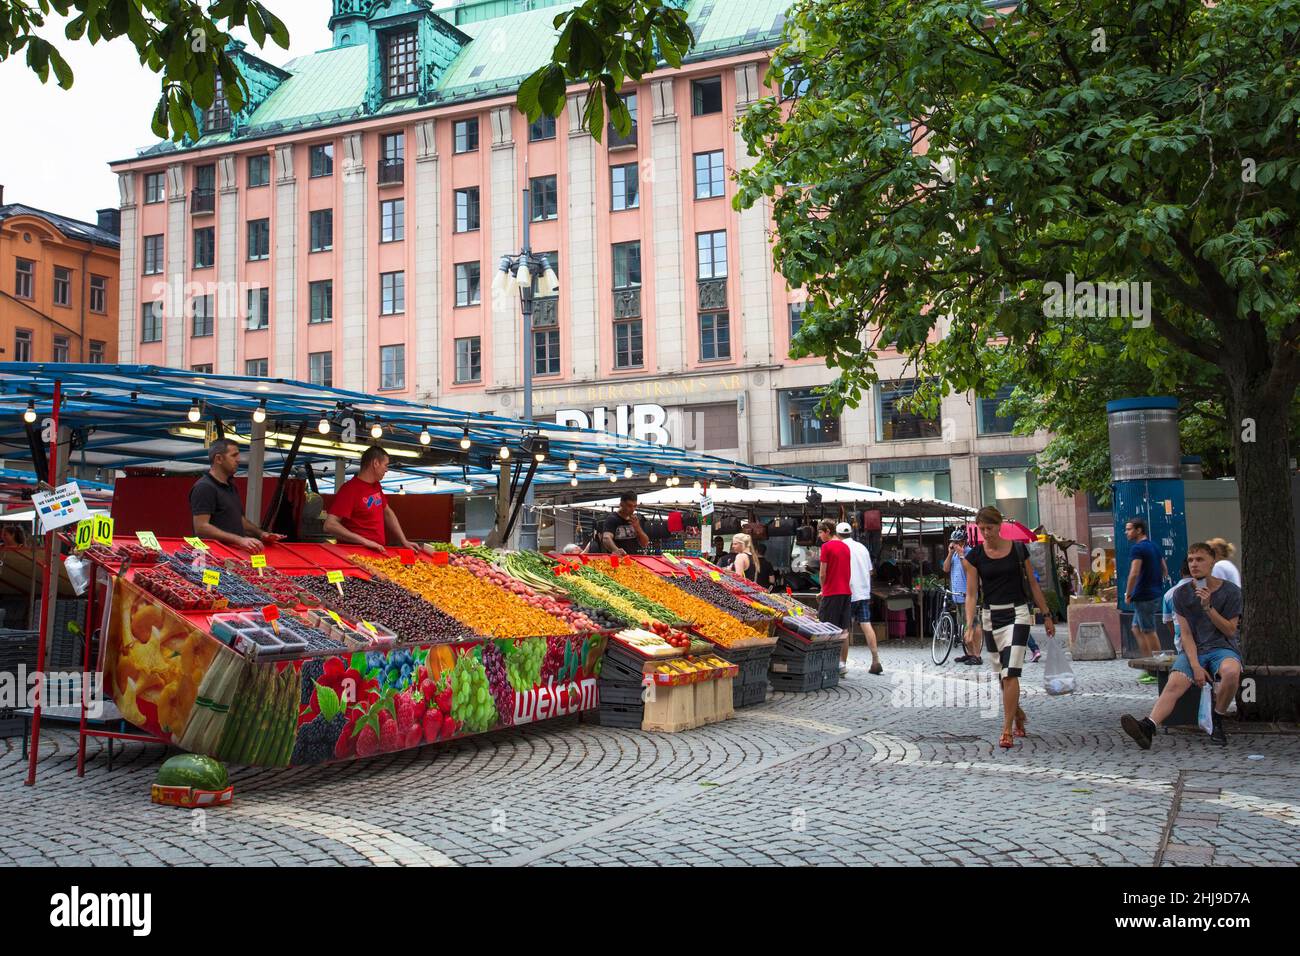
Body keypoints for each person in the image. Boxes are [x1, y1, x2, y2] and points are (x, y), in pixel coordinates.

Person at [1121, 542, 1243, 749]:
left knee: (1231, 672)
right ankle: (1148, 727)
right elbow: (1185, 634)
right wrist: (1195, 666)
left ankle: (1218, 718)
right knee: (1174, 684)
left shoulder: (1230, 591)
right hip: (1194, 649)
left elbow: (1230, 630)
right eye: (1191, 560)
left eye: (1200, 559)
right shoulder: (1181, 594)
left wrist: (1209, 608)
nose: (1194, 564)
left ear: (1212, 561)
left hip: (1222, 648)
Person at [960, 506, 1057, 749]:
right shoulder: (975, 557)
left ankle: (1006, 730)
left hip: (1018, 613)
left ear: (999, 525)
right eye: (982, 530)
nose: (986, 533)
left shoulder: (1017, 549)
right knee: (1002, 677)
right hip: (990, 616)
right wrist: (970, 623)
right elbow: (971, 594)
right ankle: (1018, 713)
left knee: (1011, 671)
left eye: (989, 528)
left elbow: (1033, 584)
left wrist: (1046, 614)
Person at [190, 438, 284, 553]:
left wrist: (262, 534)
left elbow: (239, 520)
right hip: (214, 558)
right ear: (218, 459)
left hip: (234, 556)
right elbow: (201, 527)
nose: (238, 460)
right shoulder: (205, 487)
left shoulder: (230, 486)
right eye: (234, 456)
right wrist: (239, 540)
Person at [323, 446, 416, 553]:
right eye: (385, 465)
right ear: (375, 463)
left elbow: (388, 512)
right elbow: (329, 525)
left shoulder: (376, 486)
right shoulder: (350, 489)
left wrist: (404, 541)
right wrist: (364, 541)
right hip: (356, 554)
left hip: (376, 552)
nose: (386, 470)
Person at [1124, 516, 1169, 683]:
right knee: (1137, 629)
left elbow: (1134, 572)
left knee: (1149, 631)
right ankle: (1149, 666)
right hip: (1153, 593)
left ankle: (1158, 670)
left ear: (1138, 530)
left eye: (1129, 529)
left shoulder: (1138, 549)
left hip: (1144, 595)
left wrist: (1128, 593)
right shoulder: (1153, 545)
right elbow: (1164, 567)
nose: (1126, 532)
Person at [840, 522, 881, 676]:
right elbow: (871, 571)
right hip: (863, 592)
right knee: (866, 624)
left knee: (844, 628)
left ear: (837, 534)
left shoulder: (841, 547)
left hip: (848, 592)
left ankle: (842, 665)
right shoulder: (862, 548)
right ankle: (875, 660)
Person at [943, 527, 982, 666]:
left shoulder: (970, 553)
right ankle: (970, 654)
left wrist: (961, 555)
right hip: (958, 596)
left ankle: (977, 655)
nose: (955, 544)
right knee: (964, 626)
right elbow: (946, 569)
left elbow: (970, 571)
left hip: (969, 596)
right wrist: (950, 554)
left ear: (964, 542)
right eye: (953, 542)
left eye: (957, 542)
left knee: (974, 625)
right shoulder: (953, 555)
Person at [815, 519, 853, 660]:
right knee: (843, 630)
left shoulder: (826, 547)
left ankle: (826, 661)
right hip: (845, 592)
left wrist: (823, 589)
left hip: (832, 593)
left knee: (825, 628)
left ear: (827, 531)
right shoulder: (845, 547)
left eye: (820, 532)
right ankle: (842, 663)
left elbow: (822, 573)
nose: (819, 536)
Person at [1161, 560, 1193, 656]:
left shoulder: (1168, 594)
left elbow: (1168, 621)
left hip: (1181, 641)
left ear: (1180, 573)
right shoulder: (1205, 590)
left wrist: (1178, 635)